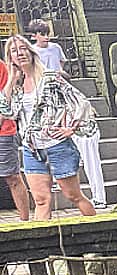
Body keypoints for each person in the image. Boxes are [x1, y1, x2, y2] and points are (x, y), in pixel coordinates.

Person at [0, 36, 96, 220]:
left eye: (23, 49)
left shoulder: (50, 78)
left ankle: (102, 231)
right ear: (10, 58)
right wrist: (11, 79)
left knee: (73, 196)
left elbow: (80, 101)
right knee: (41, 200)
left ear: (31, 52)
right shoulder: (17, 86)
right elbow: (6, 111)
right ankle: (42, 245)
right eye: (14, 51)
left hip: (57, 145)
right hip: (32, 149)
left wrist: (72, 127)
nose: (19, 53)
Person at [0, 56, 29, 220]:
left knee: (12, 177)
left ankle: (25, 222)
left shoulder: (1, 68)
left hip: (3, 131)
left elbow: (7, 99)